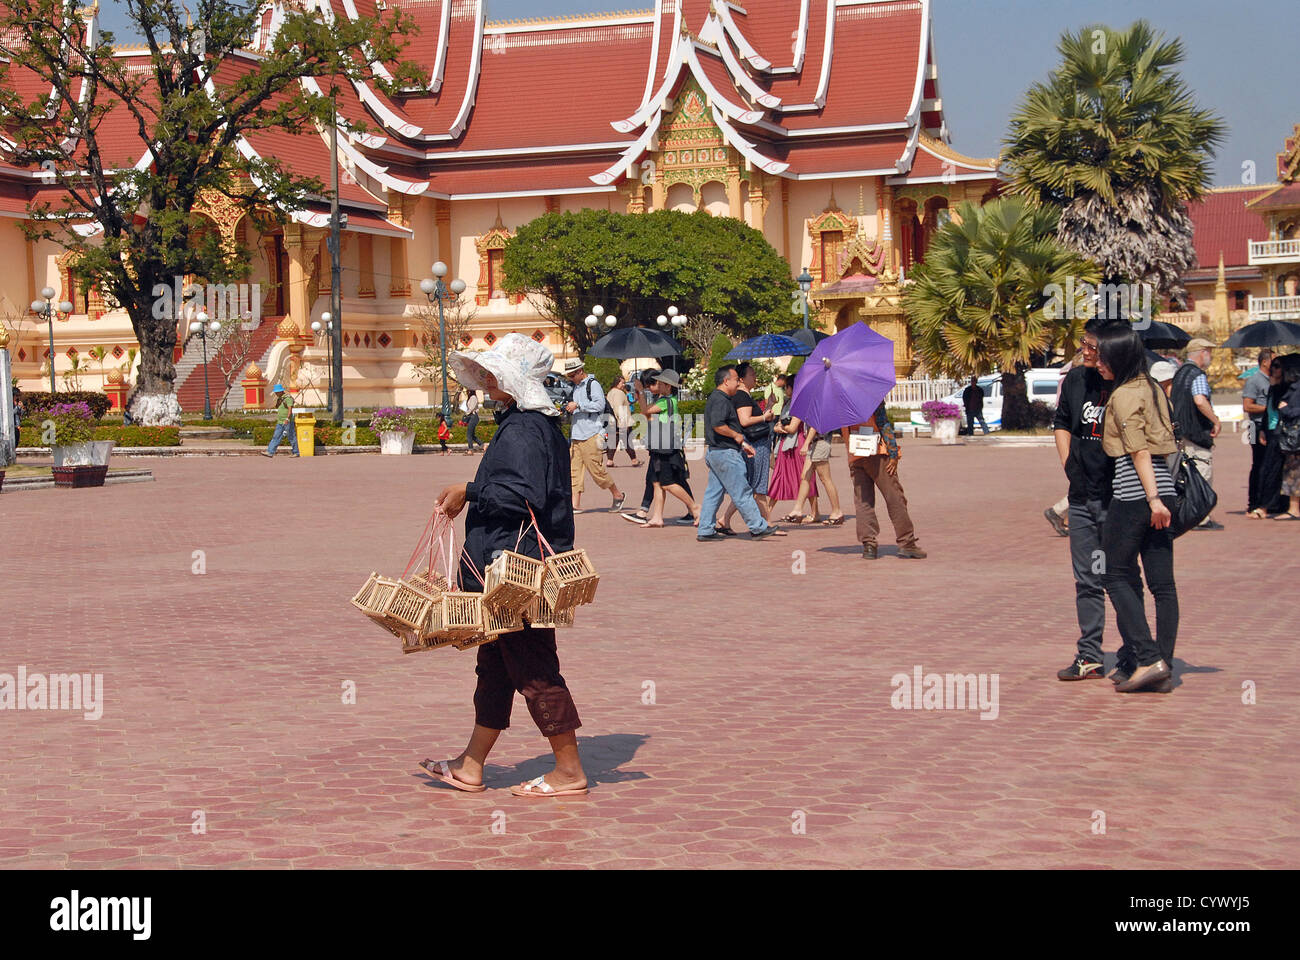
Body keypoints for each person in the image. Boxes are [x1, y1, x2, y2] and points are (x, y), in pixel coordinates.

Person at [426, 332, 587, 798]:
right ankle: (470, 764)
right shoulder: (530, 423)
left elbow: (523, 495)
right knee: (495, 663)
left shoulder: (522, 429)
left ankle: (570, 770)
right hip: (508, 564)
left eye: (496, 370)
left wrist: (469, 490)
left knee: (534, 667)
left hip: (514, 570)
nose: (488, 376)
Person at [1097, 325, 1179, 693]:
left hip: (1136, 493)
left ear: (1120, 357)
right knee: (1162, 585)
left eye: (1103, 356)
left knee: (1113, 574)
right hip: (1162, 486)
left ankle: (1148, 658)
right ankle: (1164, 665)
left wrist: (1152, 499)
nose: (1097, 362)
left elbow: (1139, 451)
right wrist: (1163, 495)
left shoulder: (1126, 395)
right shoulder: (1155, 390)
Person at [1051, 321, 1117, 681]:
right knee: (1088, 579)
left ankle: (1133, 652)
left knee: (1119, 578)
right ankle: (1090, 654)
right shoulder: (1076, 380)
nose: (1086, 352)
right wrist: (1068, 465)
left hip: (1117, 499)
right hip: (1081, 499)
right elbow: (1061, 422)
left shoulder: (1125, 384)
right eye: (1084, 345)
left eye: (1092, 346)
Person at [697, 365, 775, 541]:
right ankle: (758, 527)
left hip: (719, 451)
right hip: (725, 453)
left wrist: (741, 443)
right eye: (735, 380)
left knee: (714, 493)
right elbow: (718, 425)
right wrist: (737, 436)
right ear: (726, 381)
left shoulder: (718, 398)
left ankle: (705, 529)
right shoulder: (720, 400)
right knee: (742, 491)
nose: (738, 383)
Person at [840, 404, 926, 560]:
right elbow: (883, 422)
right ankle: (907, 543)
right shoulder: (869, 395)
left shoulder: (839, 401)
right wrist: (893, 452)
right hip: (876, 453)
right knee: (895, 497)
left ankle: (869, 545)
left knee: (863, 502)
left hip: (855, 453)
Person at [632, 368, 699, 527]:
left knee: (668, 483)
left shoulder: (666, 401)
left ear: (668, 386)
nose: (657, 385)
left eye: (660, 383)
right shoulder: (665, 400)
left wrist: (641, 392)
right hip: (660, 446)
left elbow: (644, 411)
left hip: (665, 448)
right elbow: (647, 415)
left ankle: (695, 508)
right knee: (656, 482)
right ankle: (657, 517)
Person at [1170, 337, 1222, 529]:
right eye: (1209, 352)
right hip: (1196, 433)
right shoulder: (1197, 375)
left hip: (1180, 432)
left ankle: (1188, 514)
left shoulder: (1179, 374)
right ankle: (1200, 517)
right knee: (1201, 474)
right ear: (1203, 353)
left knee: (1184, 474)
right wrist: (1215, 420)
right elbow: (1199, 400)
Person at [562, 358, 625, 512]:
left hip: (592, 433)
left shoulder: (593, 384)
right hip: (577, 434)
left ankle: (617, 495)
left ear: (579, 371)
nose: (570, 379)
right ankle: (575, 504)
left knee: (596, 470)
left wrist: (578, 405)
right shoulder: (576, 388)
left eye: (571, 375)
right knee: (574, 471)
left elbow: (599, 405)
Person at [721, 362, 777, 531]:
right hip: (756, 445)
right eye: (752, 374)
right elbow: (745, 421)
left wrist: (769, 406)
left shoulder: (745, 396)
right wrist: (764, 417)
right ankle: (767, 523)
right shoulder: (742, 396)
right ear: (742, 379)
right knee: (757, 486)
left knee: (748, 487)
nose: (755, 377)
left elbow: (758, 419)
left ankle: (724, 519)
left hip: (758, 444)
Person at [768, 374, 818, 522]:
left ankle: (815, 512)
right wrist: (780, 426)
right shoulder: (787, 403)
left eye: (786, 387)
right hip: (786, 445)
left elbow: (793, 427)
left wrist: (781, 427)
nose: (784, 390)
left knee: (806, 478)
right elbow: (779, 425)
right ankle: (768, 511)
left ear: (792, 387)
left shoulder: (800, 403)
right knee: (780, 476)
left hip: (797, 445)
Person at [1244, 349, 1276, 518]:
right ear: (1265, 362)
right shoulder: (1254, 380)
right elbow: (1247, 405)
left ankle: (1270, 501)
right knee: (1259, 465)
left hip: (1269, 426)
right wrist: (1269, 408)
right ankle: (1253, 502)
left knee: (1270, 465)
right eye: (1274, 360)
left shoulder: (1274, 380)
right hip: (1256, 426)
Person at [1273, 354, 1300, 521]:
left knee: (1293, 472)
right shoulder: (1291, 387)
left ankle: (1294, 508)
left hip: (1295, 437)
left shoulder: (1297, 389)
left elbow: (1296, 411)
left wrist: (1285, 409)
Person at [800, 425, 843, 524]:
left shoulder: (818, 409)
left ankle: (837, 511)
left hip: (820, 442)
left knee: (825, 479)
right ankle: (799, 510)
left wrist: (806, 443)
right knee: (805, 477)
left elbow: (815, 425)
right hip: (813, 444)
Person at [604, 374, 641, 468]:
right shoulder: (619, 393)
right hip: (621, 421)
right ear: (617, 383)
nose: (624, 385)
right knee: (627, 441)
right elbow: (618, 407)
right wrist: (622, 421)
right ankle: (634, 460)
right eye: (622, 383)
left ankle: (609, 460)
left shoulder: (610, 392)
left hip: (612, 420)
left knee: (614, 440)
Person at [260, 384, 299, 457]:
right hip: (280, 421)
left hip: (287, 421)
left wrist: (287, 419)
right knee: (276, 436)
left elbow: (290, 409)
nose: (276, 393)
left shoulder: (288, 398)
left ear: (281, 391)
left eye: (277, 392)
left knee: (291, 437)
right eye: (275, 392)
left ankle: (296, 452)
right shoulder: (280, 399)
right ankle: (270, 452)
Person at [463, 389, 483, 455]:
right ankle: (483, 445)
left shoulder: (473, 397)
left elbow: (471, 408)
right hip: (471, 416)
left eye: (468, 390)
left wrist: (466, 414)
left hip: (473, 416)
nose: (467, 391)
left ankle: (470, 450)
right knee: (472, 435)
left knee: (469, 434)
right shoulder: (470, 397)